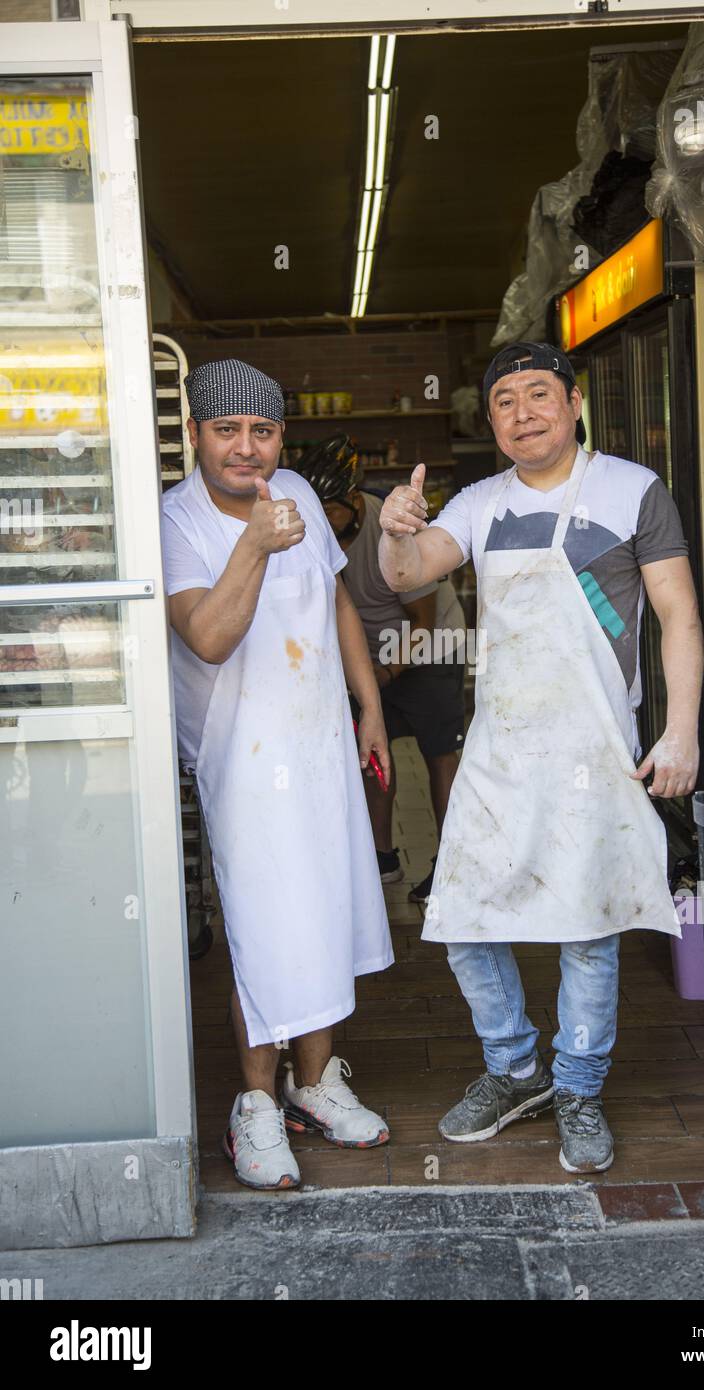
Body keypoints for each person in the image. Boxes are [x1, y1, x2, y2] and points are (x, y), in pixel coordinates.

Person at [378, 341, 704, 1176]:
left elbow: (680, 617)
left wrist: (682, 732)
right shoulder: (480, 504)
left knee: (588, 927)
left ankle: (579, 1087)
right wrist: (392, 532)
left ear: (574, 400)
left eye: (539, 394)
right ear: (491, 423)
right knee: (460, 915)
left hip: (598, 752)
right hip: (500, 749)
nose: (524, 413)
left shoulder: (632, 491)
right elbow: (409, 571)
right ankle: (514, 1066)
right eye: (505, 403)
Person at [161, 359, 394, 1192]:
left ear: (280, 438)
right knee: (263, 923)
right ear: (195, 435)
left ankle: (316, 1083)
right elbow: (210, 637)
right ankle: (256, 1104)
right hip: (242, 752)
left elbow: (335, 603)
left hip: (318, 735)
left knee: (327, 907)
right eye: (227, 430)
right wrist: (255, 544)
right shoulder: (177, 523)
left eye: (261, 432)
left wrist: (368, 706)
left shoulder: (292, 487)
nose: (246, 449)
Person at [295, 434, 466, 903]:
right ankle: (382, 858)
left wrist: (384, 674)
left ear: (352, 499)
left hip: (428, 646)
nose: (321, 521)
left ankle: (451, 866)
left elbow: (424, 624)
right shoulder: (311, 534)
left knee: (439, 754)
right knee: (373, 755)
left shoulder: (390, 531)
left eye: (329, 509)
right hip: (369, 655)